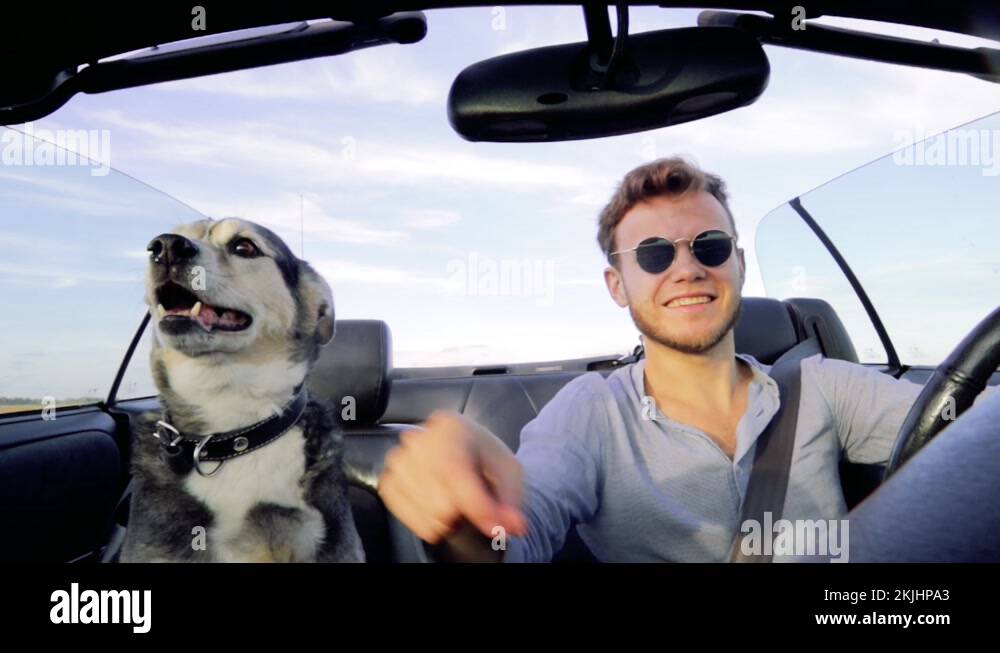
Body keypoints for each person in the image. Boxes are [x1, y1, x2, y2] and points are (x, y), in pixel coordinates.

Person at [377, 157, 993, 562]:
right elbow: (519, 537)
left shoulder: (823, 385)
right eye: (652, 256)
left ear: (739, 265)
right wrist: (465, 513)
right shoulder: (591, 414)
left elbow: (972, 435)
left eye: (711, 245)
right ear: (617, 286)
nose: (688, 268)